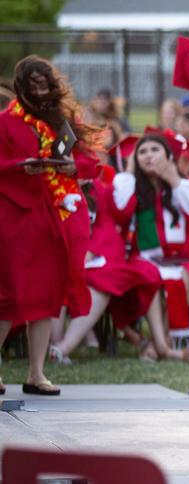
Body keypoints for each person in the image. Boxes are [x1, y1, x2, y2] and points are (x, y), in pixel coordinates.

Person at [0, 55, 98, 395]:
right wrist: (21, 167)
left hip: (51, 217)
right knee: (8, 295)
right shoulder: (5, 123)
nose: (41, 93)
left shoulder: (59, 121)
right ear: (21, 89)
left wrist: (73, 168)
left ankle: (36, 373)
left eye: (45, 86)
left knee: (44, 294)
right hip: (14, 216)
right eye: (34, 87)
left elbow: (86, 160)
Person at [49, 151, 189, 364]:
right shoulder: (50, 192)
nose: (79, 175)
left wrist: (89, 253)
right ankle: (59, 347)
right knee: (81, 281)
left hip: (98, 259)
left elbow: (109, 228)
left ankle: (160, 346)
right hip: (60, 260)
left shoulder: (98, 192)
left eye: (83, 170)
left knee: (145, 275)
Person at [112, 133, 189, 345]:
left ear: (168, 155)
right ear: (135, 160)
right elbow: (120, 211)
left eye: (155, 150)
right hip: (143, 258)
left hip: (177, 258)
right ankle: (163, 345)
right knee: (151, 277)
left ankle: (162, 340)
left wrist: (174, 180)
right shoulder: (130, 185)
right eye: (142, 152)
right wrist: (129, 173)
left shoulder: (183, 185)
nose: (149, 156)